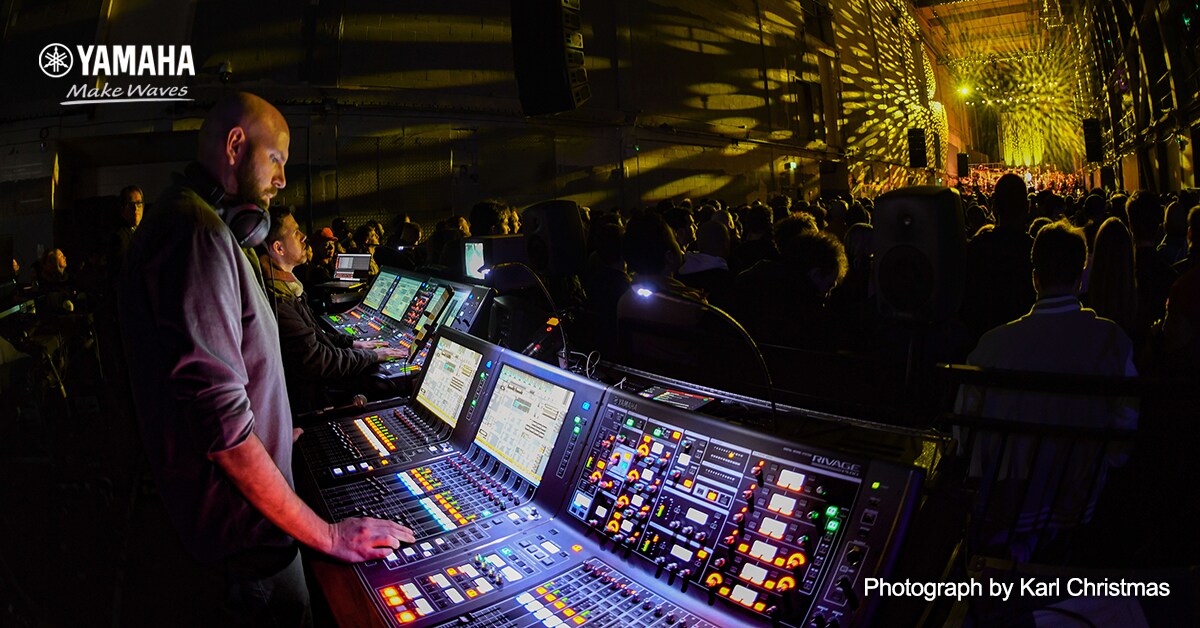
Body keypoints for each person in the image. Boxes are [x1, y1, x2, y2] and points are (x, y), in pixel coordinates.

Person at [118, 92, 414, 625]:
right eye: (275, 158)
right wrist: (327, 534)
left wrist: (276, 431)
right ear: (236, 145)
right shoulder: (196, 233)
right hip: (245, 542)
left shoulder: (197, 226)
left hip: (234, 525)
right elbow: (222, 429)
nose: (281, 179)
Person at [955, 222, 1137, 561]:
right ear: (1082, 275)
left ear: (1035, 277)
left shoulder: (991, 346)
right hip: (1081, 502)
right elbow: (1123, 432)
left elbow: (965, 434)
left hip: (1005, 504)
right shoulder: (1113, 342)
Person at [261, 206, 407, 414]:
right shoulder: (279, 301)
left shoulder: (288, 291)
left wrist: (353, 342)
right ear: (278, 248)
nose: (304, 237)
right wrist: (373, 357)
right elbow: (318, 360)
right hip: (309, 403)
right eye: (295, 232)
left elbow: (315, 336)